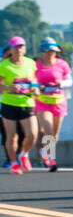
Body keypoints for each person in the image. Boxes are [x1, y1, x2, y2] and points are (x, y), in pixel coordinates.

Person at [33, 37, 73, 170]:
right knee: (48, 129)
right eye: (47, 51)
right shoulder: (36, 65)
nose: (50, 53)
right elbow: (31, 80)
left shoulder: (62, 64)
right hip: (42, 102)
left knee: (55, 134)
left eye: (53, 51)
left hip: (58, 101)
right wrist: (37, 86)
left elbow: (70, 81)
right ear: (42, 52)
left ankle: (45, 153)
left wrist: (61, 83)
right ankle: (51, 159)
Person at [1, 37, 39, 173]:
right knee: (12, 136)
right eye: (16, 47)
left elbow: (33, 79)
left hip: (27, 102)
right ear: (11, 49)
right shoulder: (4, 65)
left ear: (25, 48)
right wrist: (9, 88)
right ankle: (13, 164)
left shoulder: (30, 63)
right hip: (9, 103)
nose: (19, 49)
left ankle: (24, 154)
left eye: (21, 46)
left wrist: (36, 89)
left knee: (32, 134)